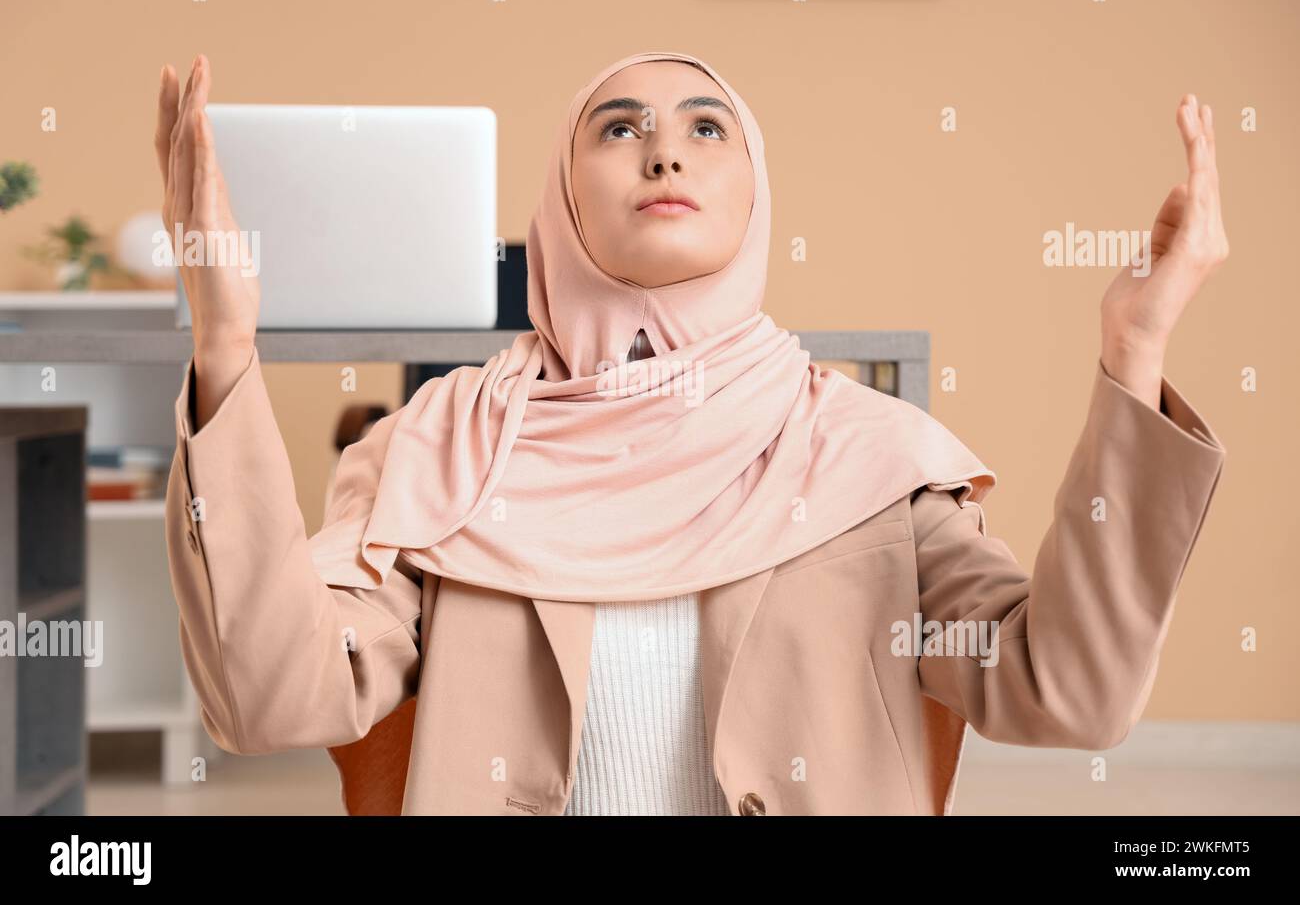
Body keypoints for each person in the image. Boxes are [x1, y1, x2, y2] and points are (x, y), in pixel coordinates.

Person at [157, 51, 1228, 815]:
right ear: (560, 200)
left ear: (755, 191)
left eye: (705, 127)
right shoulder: (433, 448)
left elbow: (1068, 695)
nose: (663, 152)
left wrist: (1132, 355)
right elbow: (267, 697)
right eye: (617, 127)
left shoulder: (871, 456)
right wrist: (225, 345)